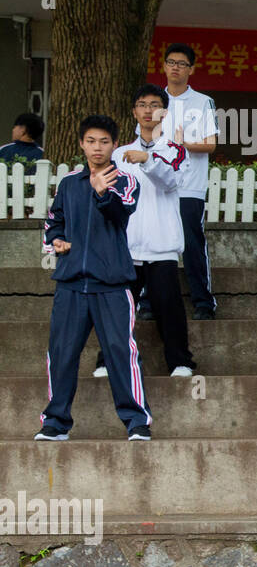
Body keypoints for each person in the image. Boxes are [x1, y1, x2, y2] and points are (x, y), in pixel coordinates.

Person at [35, 115, 152, 442]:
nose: (97, 148)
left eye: (104, 142)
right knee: (61, 353)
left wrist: (103, 193)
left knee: (120, 352)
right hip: (71, 283)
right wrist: (55, 242)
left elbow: (121, 213)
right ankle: (55, 422)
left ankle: (136, 421)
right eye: (91, 141)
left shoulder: (126, 180)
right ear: (82, 144)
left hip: (112, 284)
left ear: (115, 144)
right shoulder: (69, 182)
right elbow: (53, 222)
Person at [93, 85, 196, 379]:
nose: (148, 110)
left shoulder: (175, 150)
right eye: (142, 104)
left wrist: (148, 160)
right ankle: (106, 360)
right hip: (126, 245)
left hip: (161, 244)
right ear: (134, 111)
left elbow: (172, 182)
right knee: (118, 309)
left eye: (155, 105)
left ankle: (180, 362)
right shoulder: (119, 152)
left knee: (169, 307)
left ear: (164, 111)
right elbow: (108, 196)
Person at [158, 42, 219, 320]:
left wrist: (182, 144)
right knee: (155, 242)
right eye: (171, 62)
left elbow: (210, 145)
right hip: (157, 185)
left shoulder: (202, 101)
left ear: (191, 69)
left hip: (190, 186)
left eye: (182, 64)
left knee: (192, 243)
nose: (175, 68)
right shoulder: (153, 99)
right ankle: (149, 302)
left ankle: (203, 302)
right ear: (163, 65)